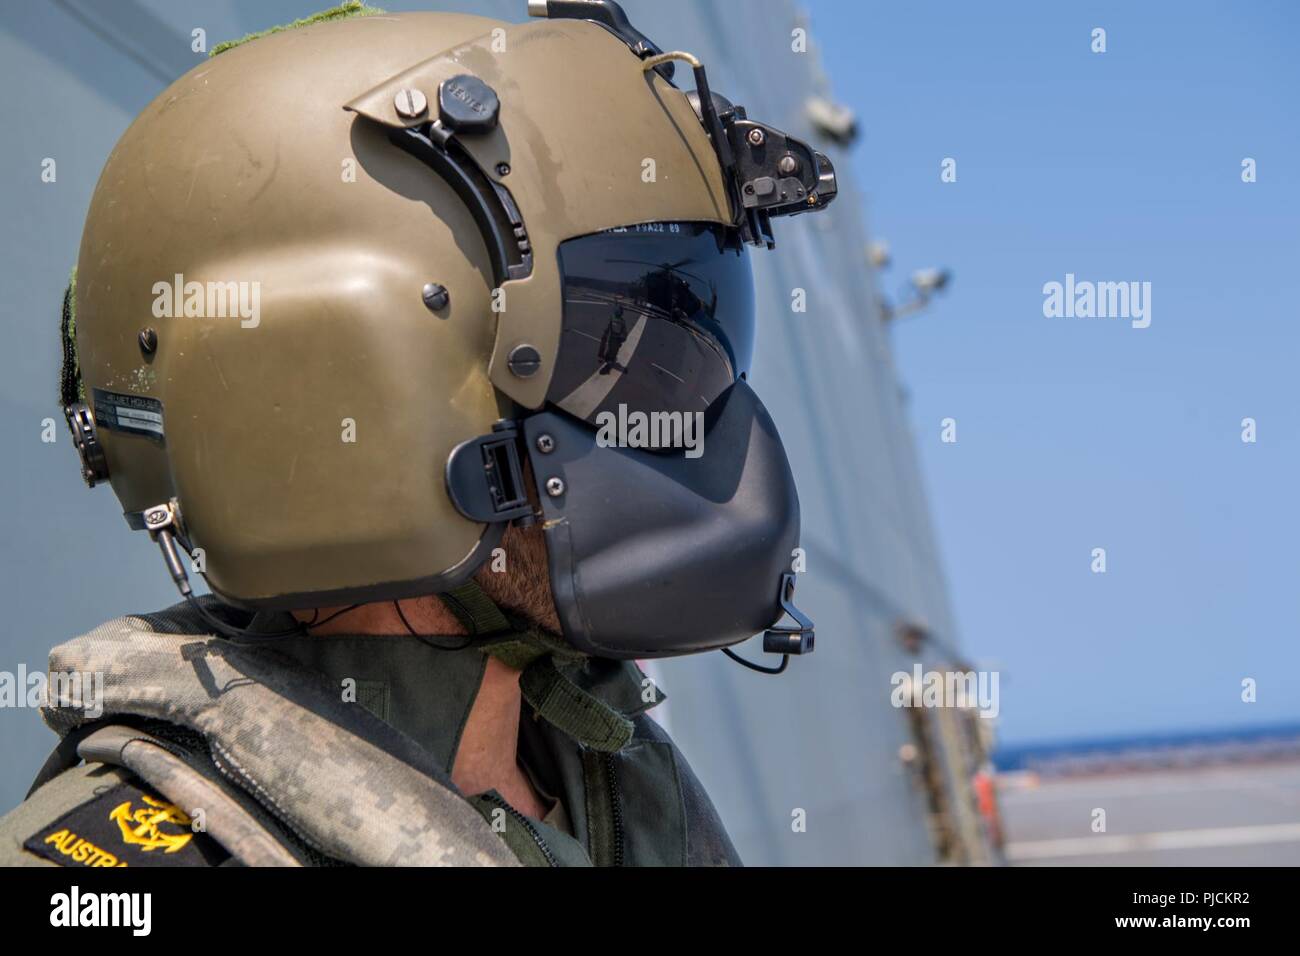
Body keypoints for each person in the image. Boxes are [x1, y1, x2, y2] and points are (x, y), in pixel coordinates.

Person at [0, 0, 834, 867]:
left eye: (693, 327)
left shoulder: (616, 784)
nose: (676, 406)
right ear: (341, 381)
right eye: (610, 345)